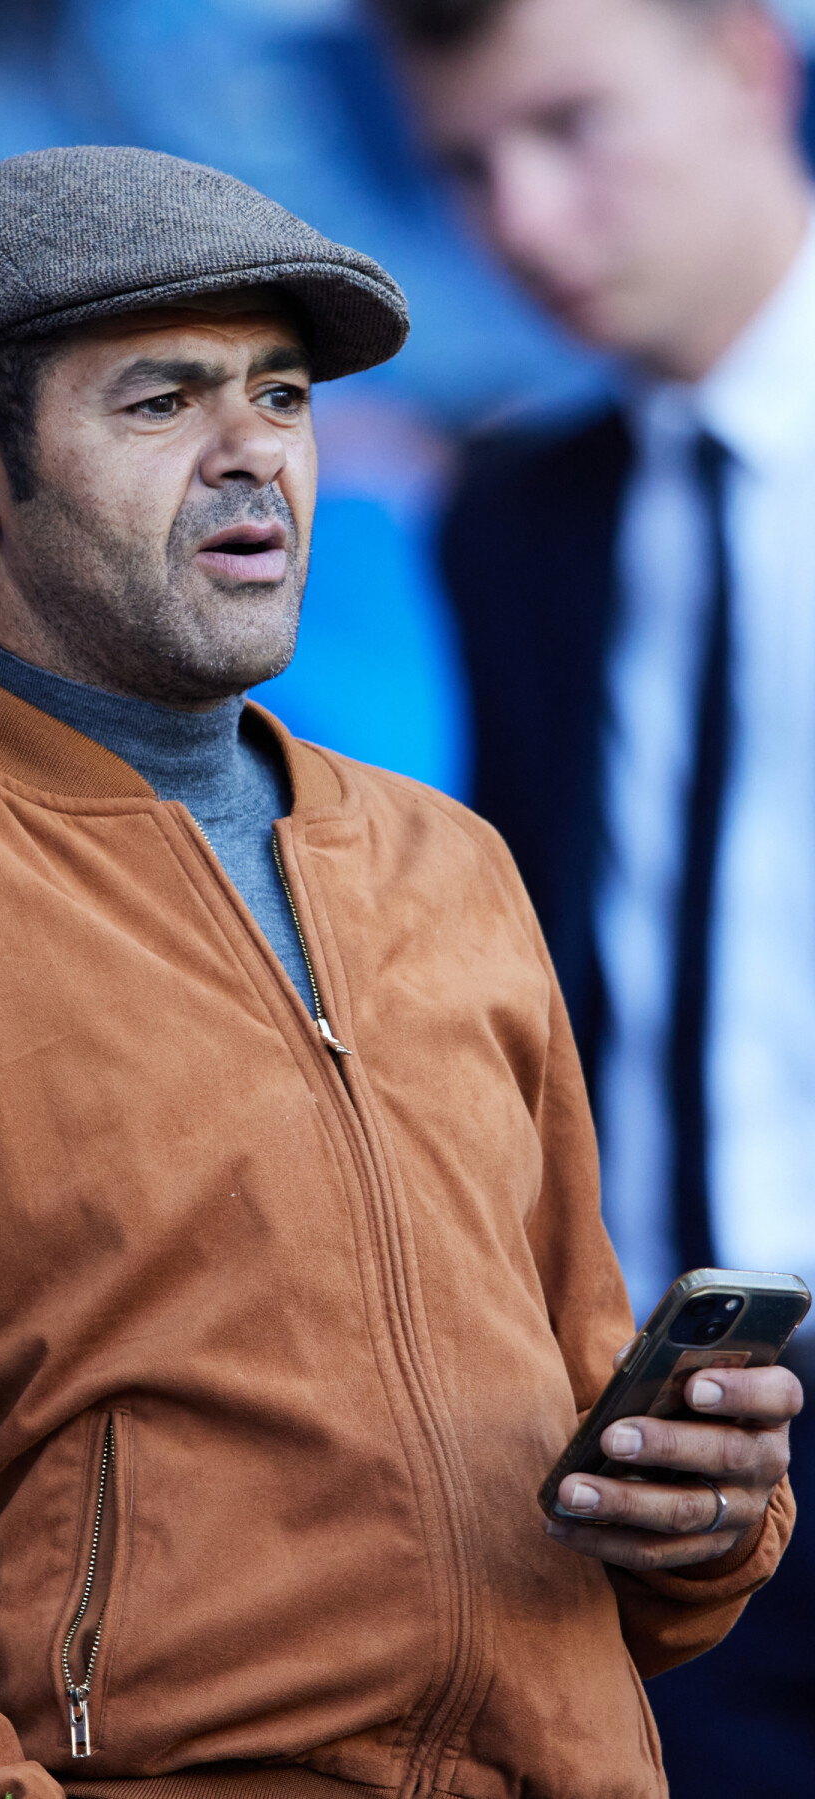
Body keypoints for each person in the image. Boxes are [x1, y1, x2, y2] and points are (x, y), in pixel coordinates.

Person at [0, 147, 800, 1799]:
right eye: (161, 403)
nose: (255, 458)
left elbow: (598, 1473)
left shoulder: (451, 862)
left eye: (281, 397)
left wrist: (701, 1515)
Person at [385, 0, 815, 1789]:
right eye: (472, 167)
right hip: (661, 1418)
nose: (530, 226)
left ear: (746, 59)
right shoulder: (521, 515)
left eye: (574, 127)